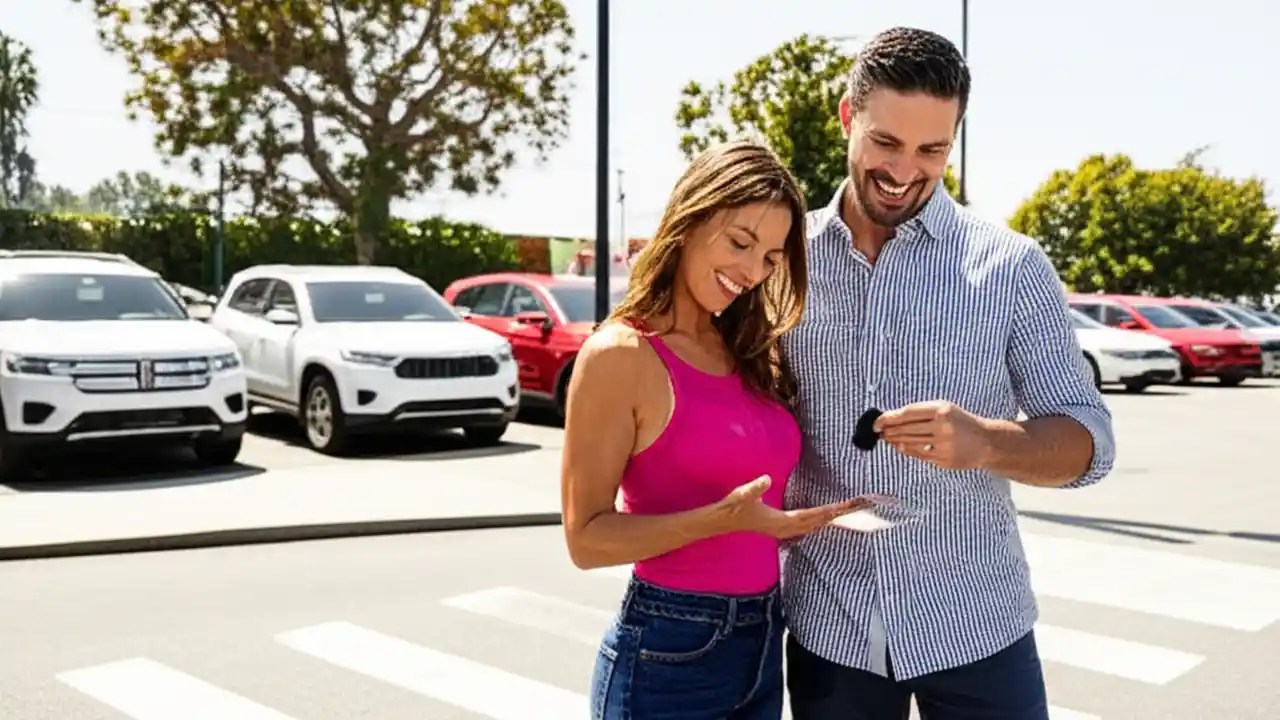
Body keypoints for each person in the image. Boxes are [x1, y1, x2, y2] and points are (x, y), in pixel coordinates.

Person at [779, 27, 1117, 720]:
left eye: (932, 150)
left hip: (978, 630)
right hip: (828, 629)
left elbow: (1091, 441)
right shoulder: (783, 261)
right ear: (847, 117)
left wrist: (991, 444)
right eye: (885, 143)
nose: (905, 171)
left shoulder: (1012, 267)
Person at [560, 139, 871, 720]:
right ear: (692, 216)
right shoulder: (620, 355)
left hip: (763, 640)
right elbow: (586, 540)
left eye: (771, 258)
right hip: (668, 651)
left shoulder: (751, 351)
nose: (752, 273)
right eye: (739, 243)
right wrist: (720, 522)